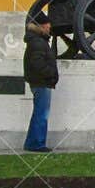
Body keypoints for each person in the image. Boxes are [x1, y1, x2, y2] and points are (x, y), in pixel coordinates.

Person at [22, 12, 58, 153]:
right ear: (42, 27)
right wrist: (50, 74)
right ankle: (37, 143)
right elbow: (37, 63)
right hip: (42, 82)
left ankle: (32, 142)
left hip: (40, 82)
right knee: (41, 114)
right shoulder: (38, 43)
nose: (49, 30)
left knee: (39, 113)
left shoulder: (36, 41)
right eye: (47, 27)